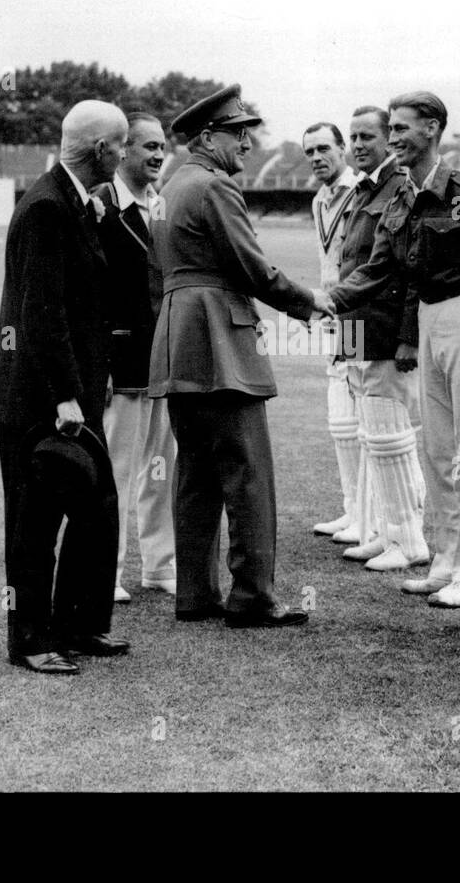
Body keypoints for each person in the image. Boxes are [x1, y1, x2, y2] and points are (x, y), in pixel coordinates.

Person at [149, 84, 333, 627]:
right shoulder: (215, 186)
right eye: (239, 132)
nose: (249, 143)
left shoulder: (172, 185)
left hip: (178, 339)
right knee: (248, 474)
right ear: (209, 136)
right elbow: (251, 267)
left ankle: (195, 595)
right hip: (220, 341)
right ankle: (253, 597)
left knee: (196, 475)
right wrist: (308, 302)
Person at [331, 92, 460, 607]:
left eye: (402, 128)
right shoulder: (404, 196)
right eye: (393, 127)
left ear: (433, 129)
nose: (394, 136)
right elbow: (383, 267)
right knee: (439, 450)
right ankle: (446, 561)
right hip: (427, 319)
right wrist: (327, 300)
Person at [0, 100, 131, 674]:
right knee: (34, 523)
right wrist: (64, 396)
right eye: (121, 145)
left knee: (95, 509)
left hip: (71, 390)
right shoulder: (47, 207)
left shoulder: (78, 202)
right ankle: (30, 639)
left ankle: (77, 625)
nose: (124, 155)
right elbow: (39, 313)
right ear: (102, 150)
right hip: (41, 397)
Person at [330, 106, 425, 571]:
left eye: (368, 135)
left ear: (389, 139)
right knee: (369, 434)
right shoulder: (364, 188)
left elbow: (406, 270)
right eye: (352, 136)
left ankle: (407, 539)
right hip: (355, 324)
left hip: (382, 326)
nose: (358, 144)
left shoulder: (399, 188)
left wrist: (409, 335)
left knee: (390, 435)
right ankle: (379, 531)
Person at [97, 111, 177, 602]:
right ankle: (104, 571)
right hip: (121, 363)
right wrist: (100, 362)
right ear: (122, 149)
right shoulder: (101, 207)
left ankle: (159, 566)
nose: (157, 154)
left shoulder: (163, 207)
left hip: (162, 362)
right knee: (116, 471)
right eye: (147, 145)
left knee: (160, 469)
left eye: (161, 146)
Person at [303, 121, 362, 544]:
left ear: (343, 148)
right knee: (341, 419)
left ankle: (370, 518)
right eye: (309, 152)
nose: (316, 158)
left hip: (358, 315)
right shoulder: (319, 199)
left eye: (324, 148)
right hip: (333, 315)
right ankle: (352, 510)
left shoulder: (361, 191)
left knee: (363, 419)